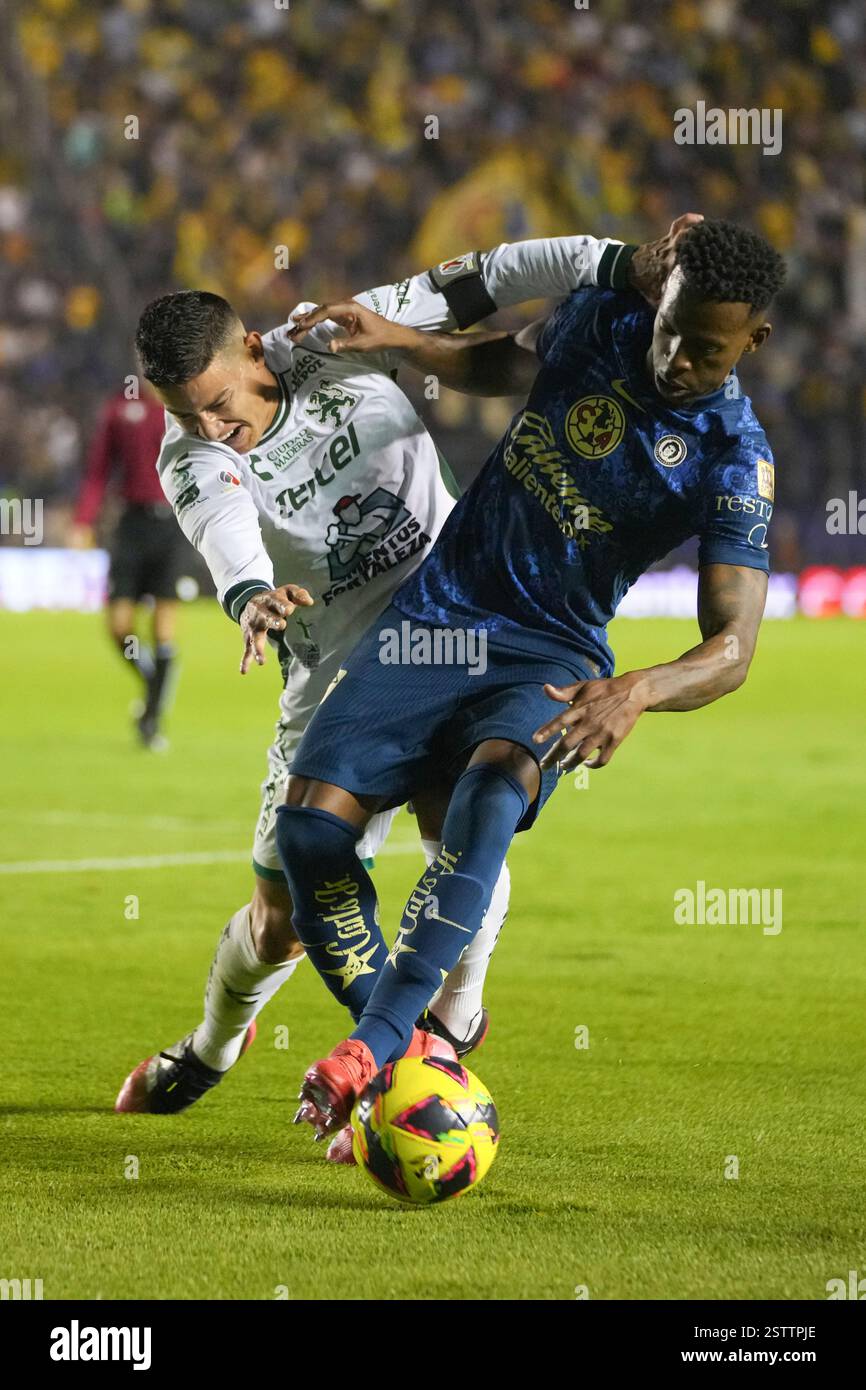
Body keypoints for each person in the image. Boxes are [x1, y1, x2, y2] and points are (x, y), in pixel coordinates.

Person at [115, 222, 687, 1119]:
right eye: (185, 414)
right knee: (281, 923)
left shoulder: (332, 340)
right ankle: (213, 1047)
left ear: (255, 349)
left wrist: (628, 263)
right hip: (334, 679)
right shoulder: (190, 458)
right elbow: (223, 529)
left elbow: (485, 278)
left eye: (219, 403)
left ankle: (448, 1032)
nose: (211, 429)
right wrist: (250, 595)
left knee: (462, 819)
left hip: (466, 631)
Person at [271, 218, 787, 1142]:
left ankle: (375, 1046)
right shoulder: (604, 321)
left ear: (755, 340)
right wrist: (400, 342)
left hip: (554, 647)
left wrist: (639, 688)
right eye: (670, 328)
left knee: (495, 786)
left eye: (704, 350)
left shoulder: (732, 455)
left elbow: (734, 647)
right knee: (308, 830)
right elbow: (501, 363)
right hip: (437, 614)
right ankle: (419, 1047)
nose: (674, 358)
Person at [72, 386, 190, 749]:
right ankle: (153, 677)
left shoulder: (183, 408)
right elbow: (99, 470)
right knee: (119, 627)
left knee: (163, 628)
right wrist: (84, 520)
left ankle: (151, 719)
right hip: (132, 525)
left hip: (172, 524)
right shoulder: (120, 410)